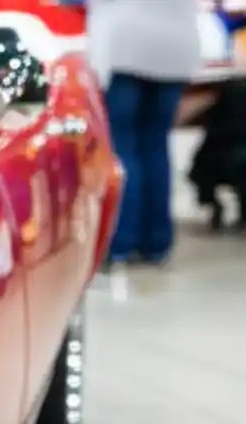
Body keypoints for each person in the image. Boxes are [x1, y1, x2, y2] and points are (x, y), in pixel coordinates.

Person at [86, 0, 201, 265]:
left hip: (124, 47)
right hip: (175, 48)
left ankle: (120, 242)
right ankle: (157, 242)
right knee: (156, 146)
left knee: (122, 147)